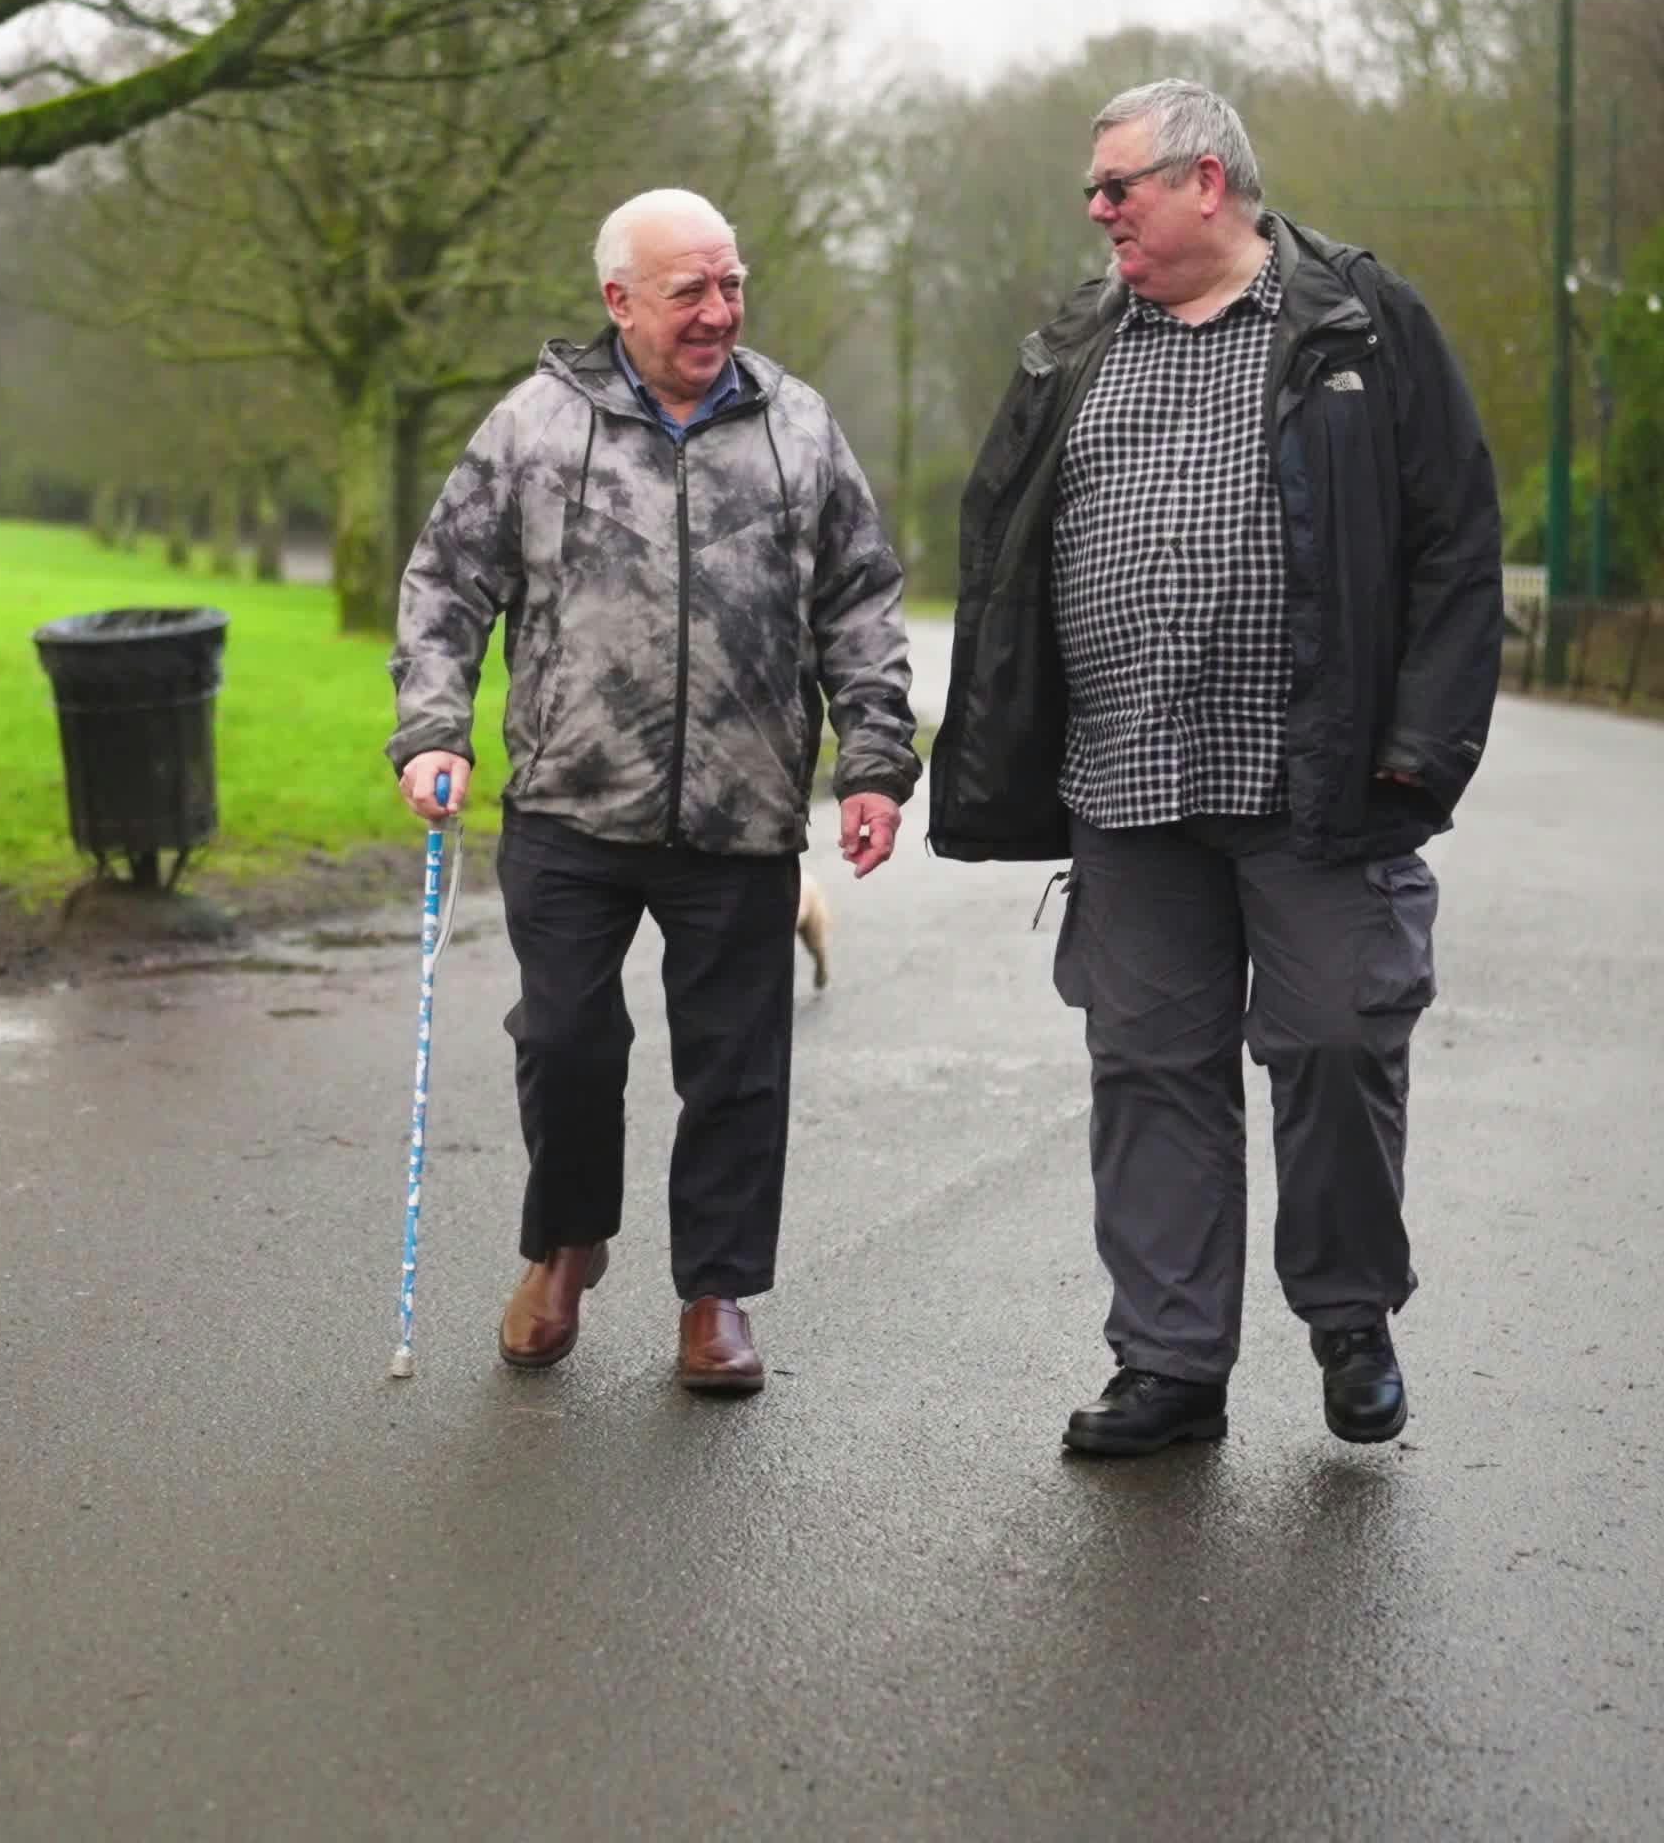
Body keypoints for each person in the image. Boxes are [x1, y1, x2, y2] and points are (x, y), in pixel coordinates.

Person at [928, 80, 1504, 1455]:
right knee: (1150, 1072)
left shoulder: (1362, 324)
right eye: (1095, 191)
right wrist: (1008, 746)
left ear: (1206, 183)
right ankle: (1171, 1367)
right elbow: (1003, 554)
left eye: (1118, 185)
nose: (1098, 211)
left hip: (1318, 785)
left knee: (1336, 1040)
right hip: (1126, 783)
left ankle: (1351, 1319)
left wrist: (1419, 753)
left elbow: (1455, 548)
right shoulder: (1073, 345)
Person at [388, 186, 919, 1395]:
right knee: (568, 1042)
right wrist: (434, 730)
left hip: (742, 810)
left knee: (737, 1063)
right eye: (691, 291)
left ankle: (716, 1296)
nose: (719, 311)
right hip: (573, 801)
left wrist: (875, 760)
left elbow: (861, 602)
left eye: (732, 284)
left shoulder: (797, 425)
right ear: (618, 301)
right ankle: (567, 1244)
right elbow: (445, 585)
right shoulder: (534, 426)